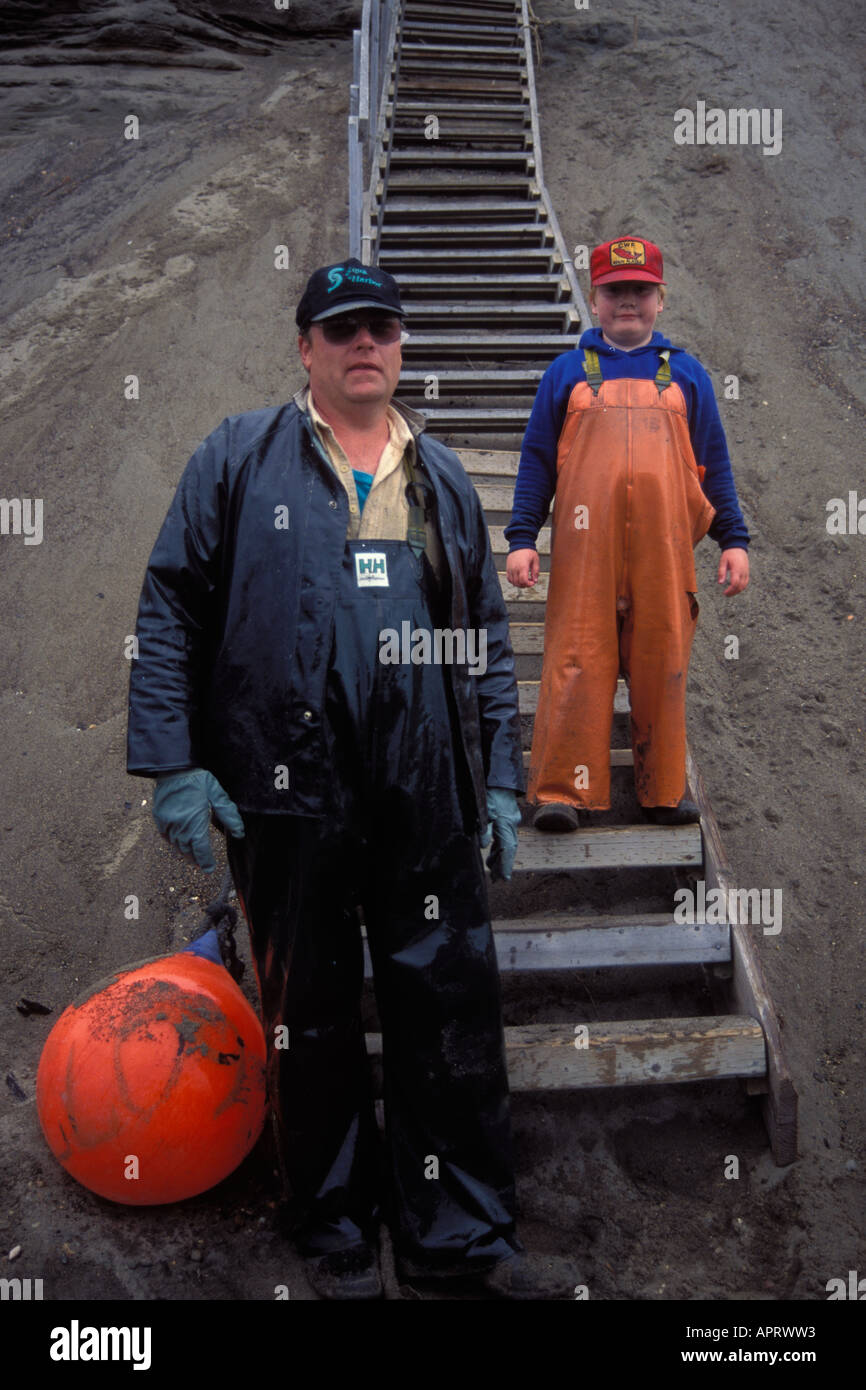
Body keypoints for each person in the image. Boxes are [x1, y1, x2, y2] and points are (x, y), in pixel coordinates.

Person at [127, 257, 575, 1299]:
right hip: (286, 789)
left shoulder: (443, 479)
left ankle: (456, 1235)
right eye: (339, 330)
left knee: (445, 1004)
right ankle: (331, 1229)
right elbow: (170, 608)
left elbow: (475, 639)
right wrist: (175, 761)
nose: (361, 343)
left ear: (401, 344)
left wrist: (498, 777)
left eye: (378, 326)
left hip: (425, 791)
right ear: (305, 349)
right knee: (308, 1013)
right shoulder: (239, 458)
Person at [506, 236, 750, 831]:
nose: (627, 302)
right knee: (576, 658)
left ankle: (662, 789)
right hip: (586, 553)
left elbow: (712, 462)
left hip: (663, 555)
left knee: (662, 658)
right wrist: (520, 537)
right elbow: (538, 461)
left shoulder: (686, 374)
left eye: (640, 290)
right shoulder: (565, 373)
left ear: (660, 299)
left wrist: (735, 540)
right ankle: (564, 792)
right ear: (594, 297)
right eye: (615, 291)